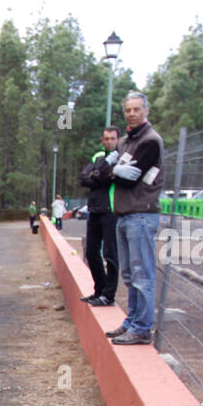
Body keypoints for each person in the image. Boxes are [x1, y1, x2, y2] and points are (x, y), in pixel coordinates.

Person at [105, 92, 164, 346]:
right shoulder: (127, 141)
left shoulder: (150, 141)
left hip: (141, 214)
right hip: (125, 215)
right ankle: (133, 320)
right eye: (128, 110)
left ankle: (142, 327)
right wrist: (112, 170)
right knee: (129, 273)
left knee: (142, 274)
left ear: (146, 111)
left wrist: (113, 171)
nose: (132, 113)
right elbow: (102, 173)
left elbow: (132, 177)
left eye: (136, 109)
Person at [78, 125, 121, 306]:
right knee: (91, 252)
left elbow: (110, 177)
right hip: (94, 210)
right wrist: (99, 175)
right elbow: (83, 178)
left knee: (110, 254)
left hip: (111, 211)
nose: (109, 142)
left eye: (112, 138)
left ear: (117, 139)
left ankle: (108, 295)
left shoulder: (121, 157)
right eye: (106, 139)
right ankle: (99, 290)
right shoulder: (98, 156)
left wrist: (96, 175)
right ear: (102, 140)